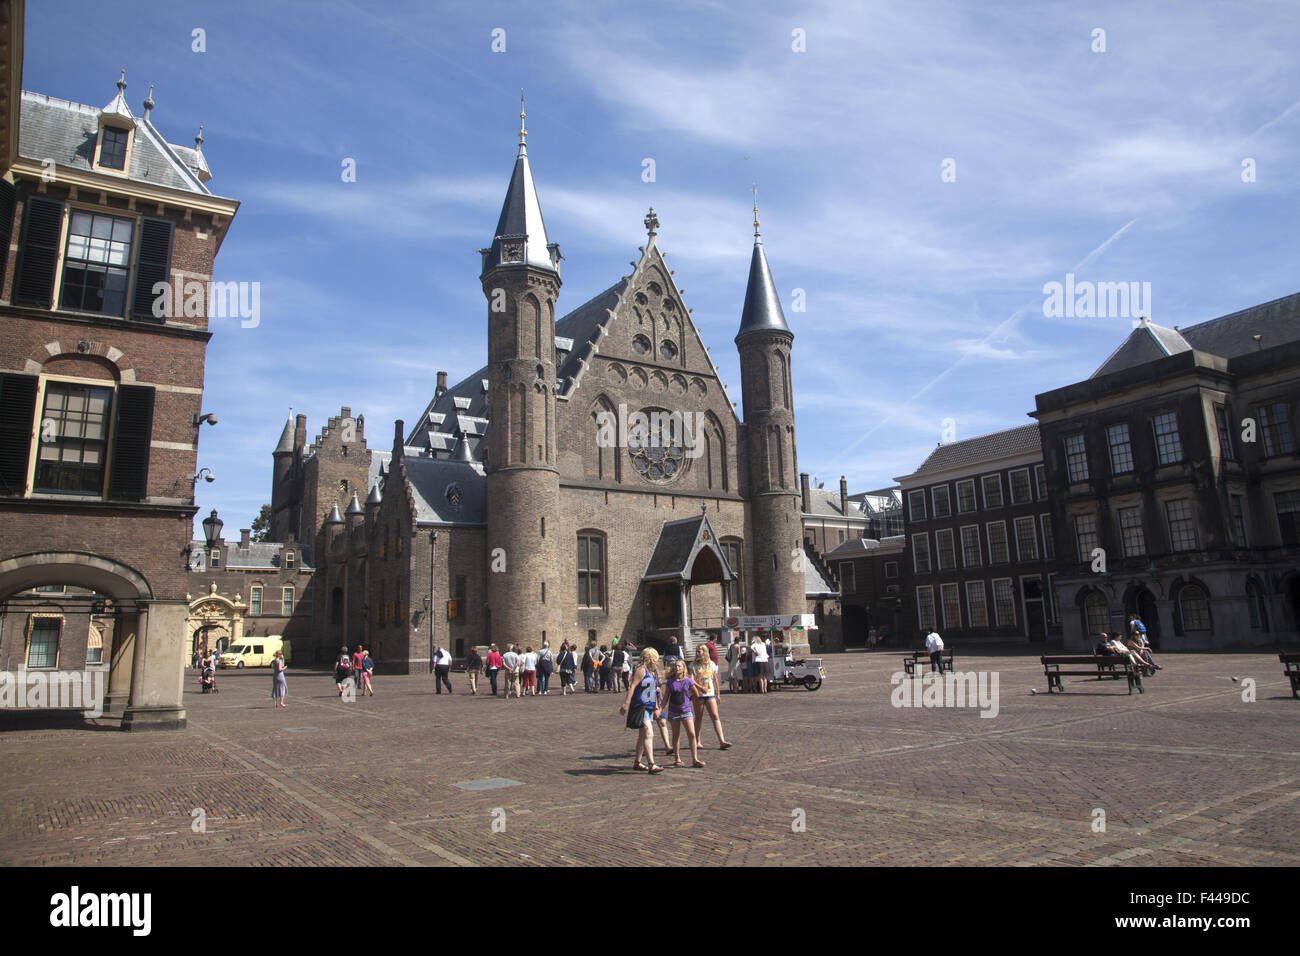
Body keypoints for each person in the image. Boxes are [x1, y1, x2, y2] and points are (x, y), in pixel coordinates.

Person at [620, 647, 664, 774]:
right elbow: (632, 686)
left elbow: (653, 690)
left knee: (642, 736)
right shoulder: (641, 670)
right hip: (640, 706)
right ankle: (651, 763)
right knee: (649, 733)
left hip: (649, 706)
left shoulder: (652, 672)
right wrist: (626, 704)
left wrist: (656, 706)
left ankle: (637, 762)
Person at [662, 659, 706, 768]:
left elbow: (696, 694)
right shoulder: (670, 682)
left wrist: (688, 700)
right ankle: (677, 758)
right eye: (676, 666)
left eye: (679, 666)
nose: (677, 668)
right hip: (674, 711)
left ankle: (695, 759)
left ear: (683, 668)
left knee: (691, 733)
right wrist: (660, 708)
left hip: (686, 711)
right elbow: (666, 697)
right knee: (676, 735)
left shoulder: (688, 681)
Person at [691, 645, 731, 750]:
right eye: (696, 651)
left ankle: (721, 740)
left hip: (710, 694)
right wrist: (700, 687)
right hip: (698, 695)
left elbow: (715, 680)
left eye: (699, 651)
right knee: (698, 717)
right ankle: (697, 741)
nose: (697, 653)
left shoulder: (711, 664)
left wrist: (718, 694)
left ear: (705, 652)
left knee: (715, 716)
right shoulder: (693, 665)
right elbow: (691, 680)